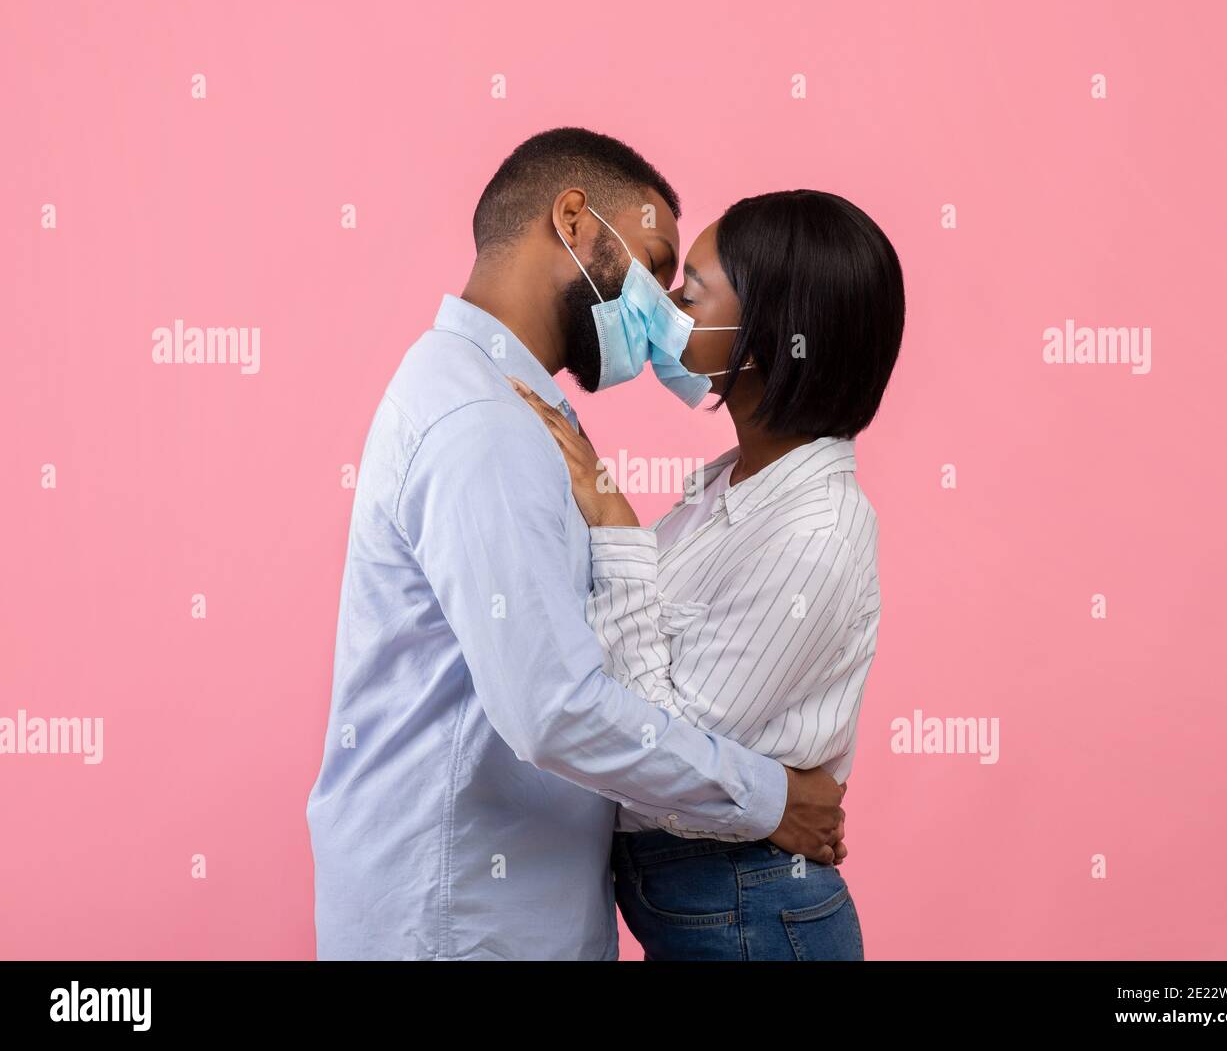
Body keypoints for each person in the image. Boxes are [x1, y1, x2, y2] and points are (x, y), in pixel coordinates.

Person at [305, 129, 847, 961]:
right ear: (575, 221)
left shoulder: (500, 400)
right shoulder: (482, 424)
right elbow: (552, 708)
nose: (666, 315)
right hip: (464, 921)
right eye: (656, 267)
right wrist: (773, 798)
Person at [514, 188, 904, 960]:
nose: (662, 302)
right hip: (708, 899)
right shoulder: (732, 485)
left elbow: (666, 752)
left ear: (763, 341)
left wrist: (612, 516)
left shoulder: (814, 533)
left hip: (751, 908)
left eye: (690, 288)